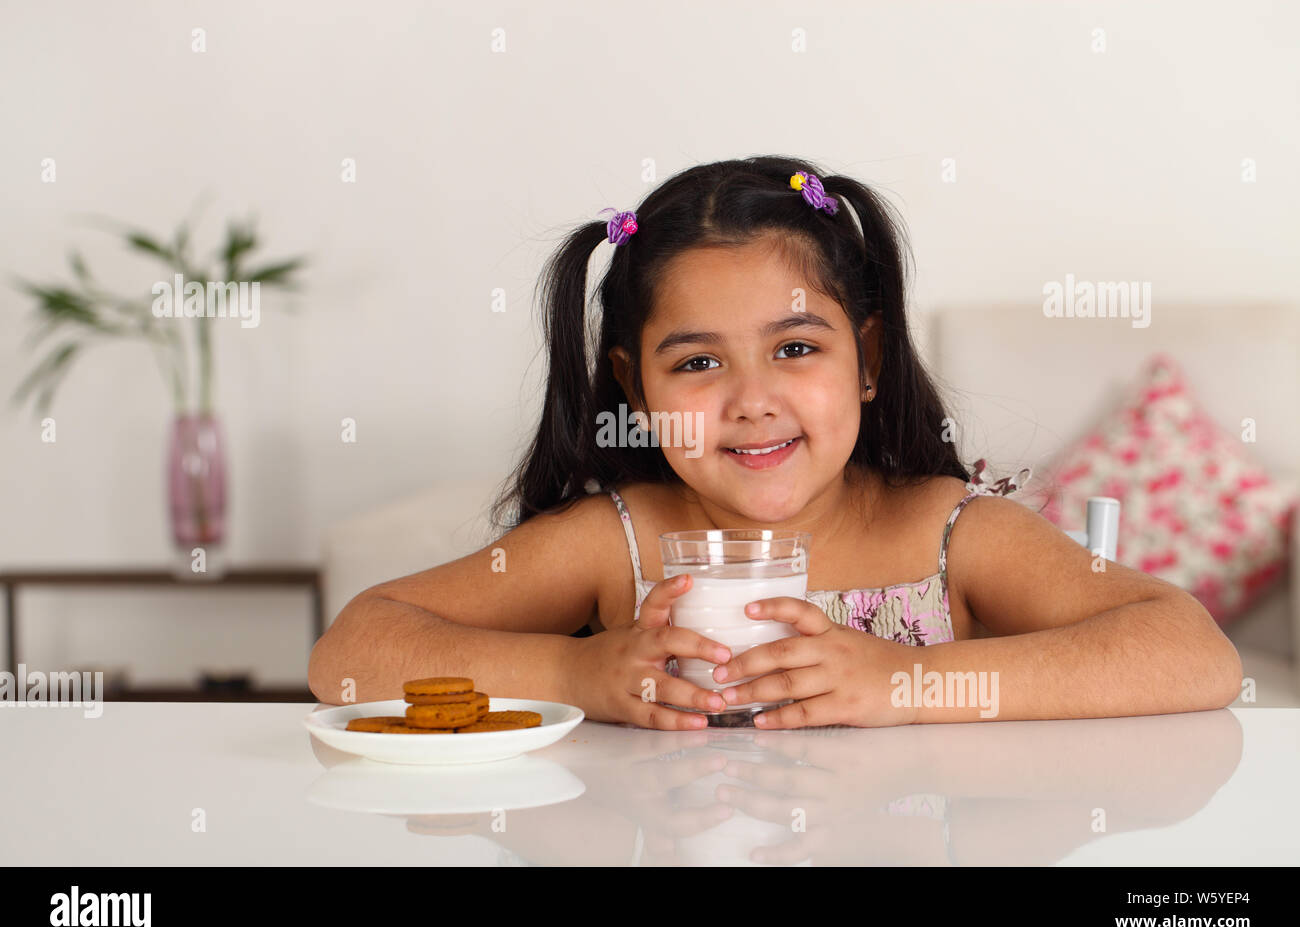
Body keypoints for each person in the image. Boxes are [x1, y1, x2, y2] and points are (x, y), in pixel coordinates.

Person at [309, 155, 1241, 729]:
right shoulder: (619, 540)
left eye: (795, 349)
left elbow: (1192, 653)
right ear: (637, 390)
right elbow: (351, 652)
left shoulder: (951, 534)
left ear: (866, 359)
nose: (753, 402)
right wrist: (573, 670)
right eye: (698, 364)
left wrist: (905, 684)